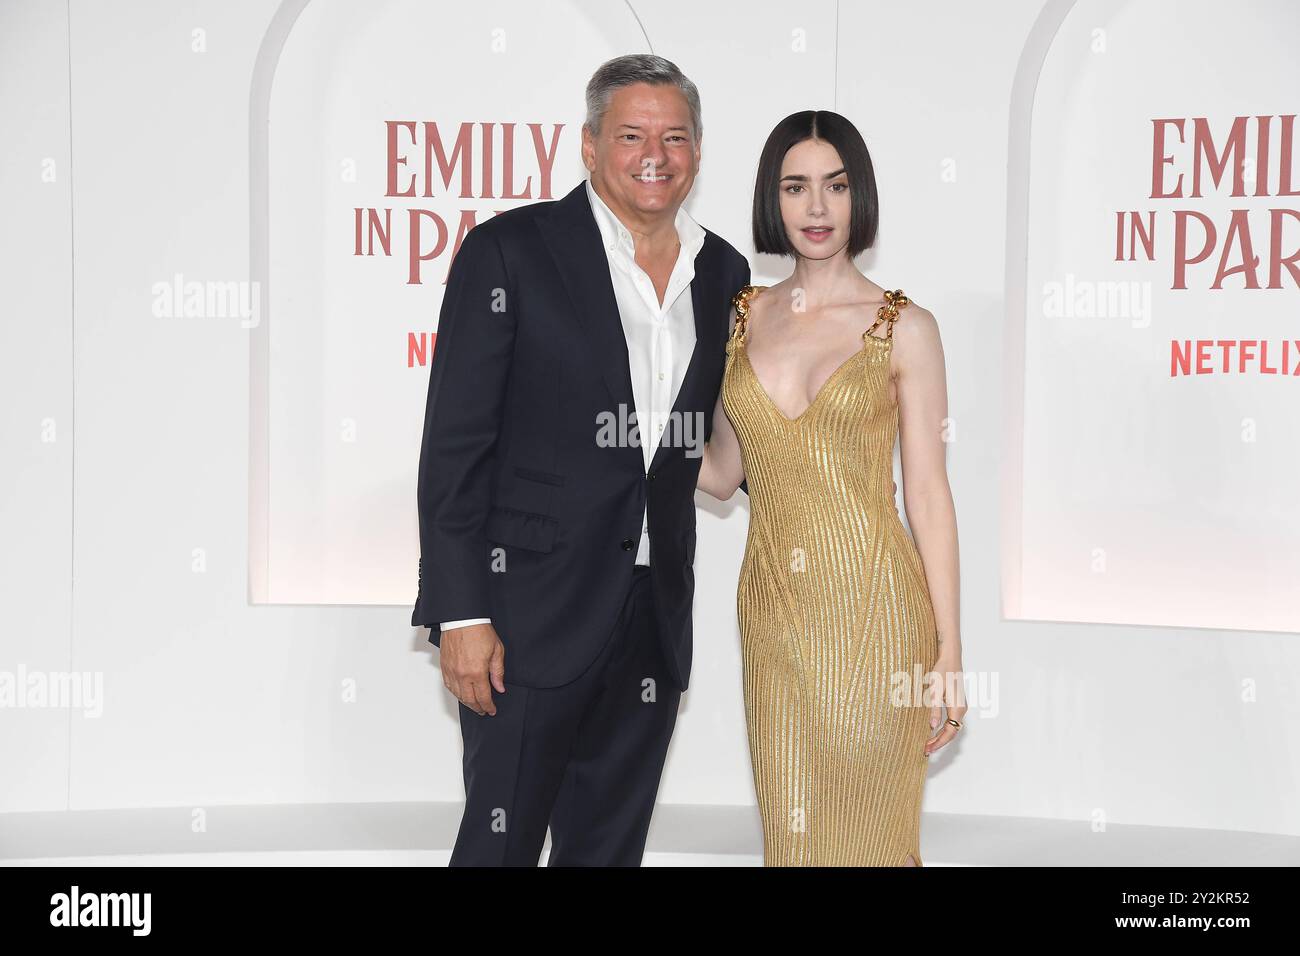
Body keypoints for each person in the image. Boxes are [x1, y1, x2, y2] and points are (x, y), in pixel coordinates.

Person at [411, 54, 749, 866]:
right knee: (499, 847)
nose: (654, 155)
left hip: (650, 618)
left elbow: (706, 440)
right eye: (631, 135)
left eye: (674, 136)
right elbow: (455, 447)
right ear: (590, 146)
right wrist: (461, 614)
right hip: (526, 617)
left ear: (698, 152)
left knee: (608, 852)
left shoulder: (724, 273)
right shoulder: (509, 253)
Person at [697, 110, 966, 866]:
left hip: (877, 617)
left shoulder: (905, 327)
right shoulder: (742, 318)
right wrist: (631, 417)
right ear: (772, 201)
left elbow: (930, 497)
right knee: (795, 843)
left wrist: (947, 651)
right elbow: (721, 473)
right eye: (795, 187)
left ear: (860, 197)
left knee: (873, 844)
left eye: (835, 186)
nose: (816, 208)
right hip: (774, 621)